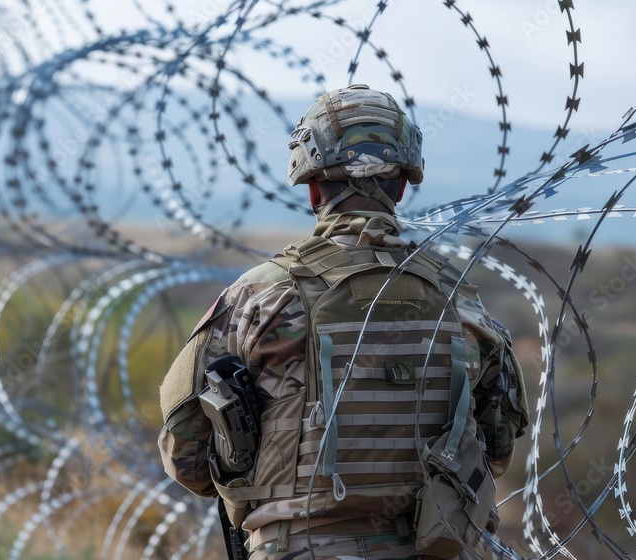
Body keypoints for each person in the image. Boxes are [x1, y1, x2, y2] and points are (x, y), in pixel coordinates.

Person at [158, 84, 530, 560]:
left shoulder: (257, 297)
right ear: (401, 184)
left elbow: (184, 456)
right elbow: (495, 455)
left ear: (312, 185)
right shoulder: (463, 303)